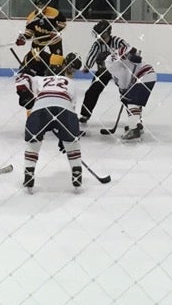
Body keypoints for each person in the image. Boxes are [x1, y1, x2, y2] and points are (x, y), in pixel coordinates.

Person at [18, 49, 84, 190]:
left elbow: (22, 79)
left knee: (33, 143)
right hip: (65, 109)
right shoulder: (70, 82)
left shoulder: (39, 79)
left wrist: (24, 94)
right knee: (72, 143)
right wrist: (65, 136)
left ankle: (29, 173)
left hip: (41, 108)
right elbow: (72, 108)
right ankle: (77, 172)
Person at [98, 27, 156, 139]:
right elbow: (123, 79)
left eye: (100, 65)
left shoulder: (109, 62)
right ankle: (136, 124)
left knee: (131, 102)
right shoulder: (114, 67)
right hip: (147, 76)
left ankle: (134, 129)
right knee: (132, 101)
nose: (101, 67)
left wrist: (131, 55)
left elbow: (126, 52)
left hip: (144, 75)